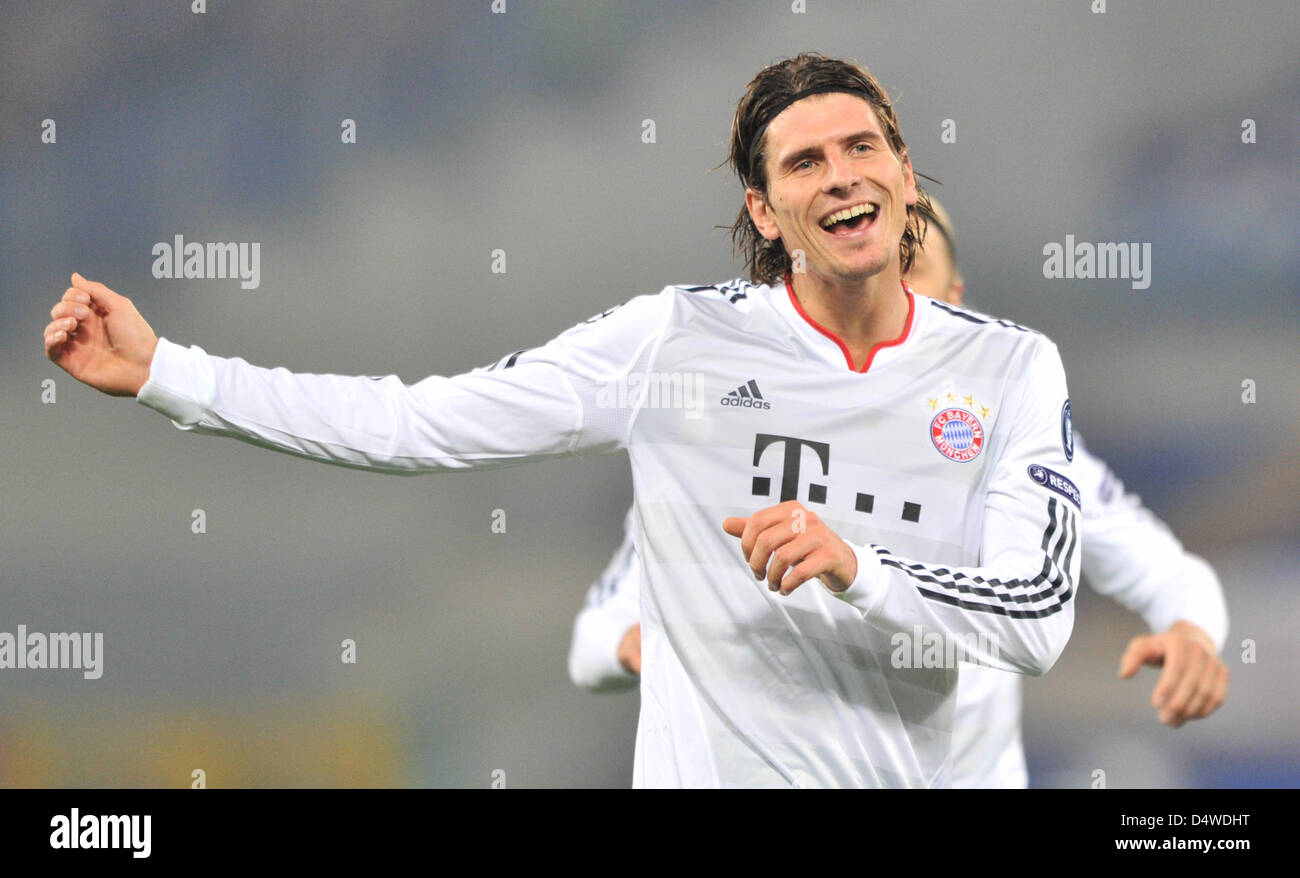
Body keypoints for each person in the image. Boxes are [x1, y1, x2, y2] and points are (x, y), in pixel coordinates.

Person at [44, 53, 1078, 787]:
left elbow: (1034, 616)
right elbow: (415, 425)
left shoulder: (1010, 369)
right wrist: (171, 372)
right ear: (763, 212)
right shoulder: (672, 346)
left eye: (862, 146)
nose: (842, 172)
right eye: (803, 162)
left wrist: (855, 565)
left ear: (903, 172)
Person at [568, 199, 1229, 787]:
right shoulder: (724, 453)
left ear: (957, 304)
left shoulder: (1019, 451)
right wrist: (644, 646)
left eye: (907, 274)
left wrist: (1194, 633)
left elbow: (1167, 572)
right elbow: (594, 639)